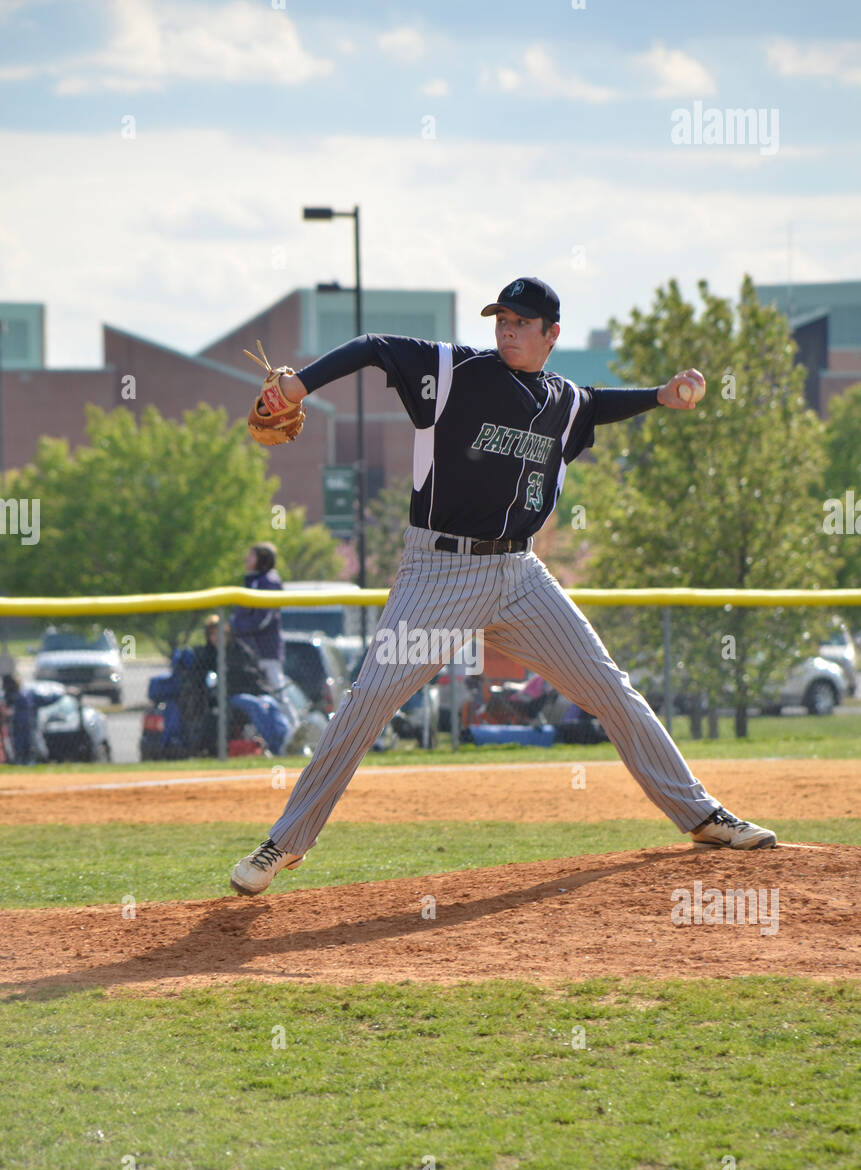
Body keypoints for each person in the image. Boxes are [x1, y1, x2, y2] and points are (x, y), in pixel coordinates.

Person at [230, 276, 776, 896]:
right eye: (501, 320)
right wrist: (299, 384)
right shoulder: (454, 372)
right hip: (438, 572)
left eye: (521, 323)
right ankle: (287, 841)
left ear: (552, 336)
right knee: (369, 700)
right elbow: (372, 346)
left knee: (609, 687)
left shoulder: (565, 403)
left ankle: (702, 815)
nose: (507, 331)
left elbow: (598, 404)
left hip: (520, 576)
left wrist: (663, 395)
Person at [187, 616, 296, 756]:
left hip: (251, 691)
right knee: (254, 705)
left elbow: (252, 673)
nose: (217, 638)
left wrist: (261, 691)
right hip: (230, 696)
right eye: (213, 635)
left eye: (220, 634)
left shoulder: (238, 649)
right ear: (209, 637)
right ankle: (276, 747)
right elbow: (202, 682)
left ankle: (287, 739)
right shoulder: (207, 654)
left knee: (271, 703)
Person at [231, 543, 288, 699]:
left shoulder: (267, 581)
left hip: (265, 649)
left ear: (262, 559)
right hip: (251, 650)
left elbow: (264, 618)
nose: (246, 559)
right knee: (257, 694)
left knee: (277, 693)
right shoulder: (252, 581)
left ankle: (291, 724)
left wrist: (237, 626)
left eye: (251, 556)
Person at [2, 673, 53, 764]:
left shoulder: (28, 694)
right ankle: (19, 762)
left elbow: (46, 700)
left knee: (35, 748)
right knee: (17, 750)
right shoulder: (6, 697)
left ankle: (34, 762)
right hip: (15, 729)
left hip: (29, 728)